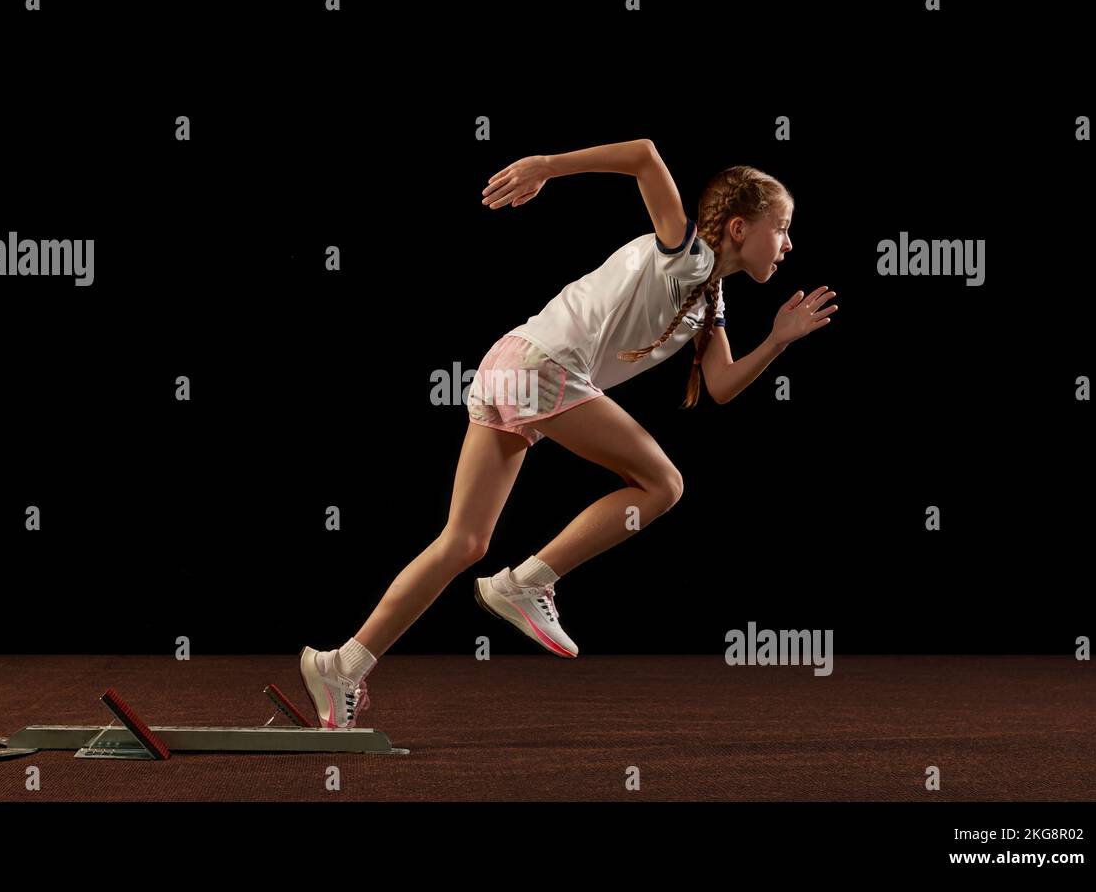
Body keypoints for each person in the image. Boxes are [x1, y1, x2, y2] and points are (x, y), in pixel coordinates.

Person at [299, 139, 838, 729]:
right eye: (781, 228)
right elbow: (645, 155)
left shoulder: (708, 301)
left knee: (464, 541)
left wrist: (779, 340)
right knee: (663, 484)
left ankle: (342, 664)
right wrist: (545, 168)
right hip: (540, 371)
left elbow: (724, 385)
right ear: (738, 226)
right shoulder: (682, 249)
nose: (788, 244)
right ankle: (525, 583)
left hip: (509, 366)